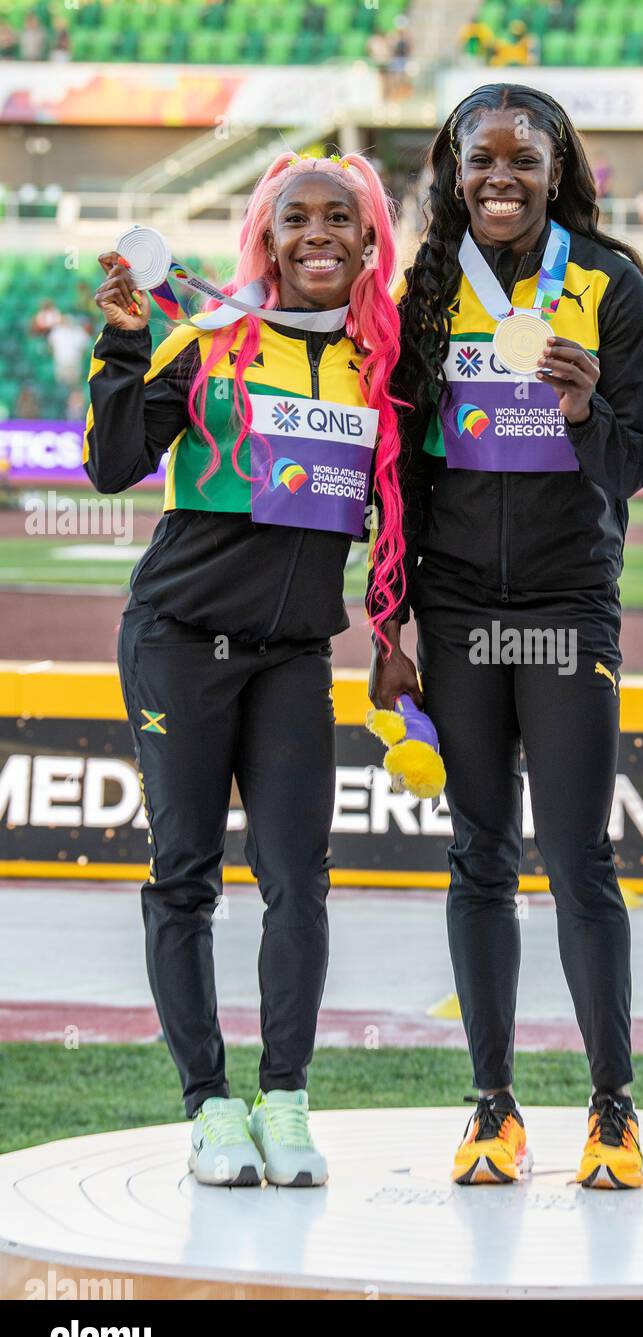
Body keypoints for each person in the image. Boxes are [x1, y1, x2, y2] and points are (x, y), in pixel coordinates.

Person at [84, 152, 405, 1188]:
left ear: (368, 243)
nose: (317, 232)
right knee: (184, 878)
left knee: (297, 883)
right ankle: (209, 1106)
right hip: (178, 640)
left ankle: (286, 1099)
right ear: (266, 240)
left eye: (338, 219)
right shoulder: (210, 342)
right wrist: (124, 342)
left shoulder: (382, 363)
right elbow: (112, 461)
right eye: (295, 218)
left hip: (293, 660)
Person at [371, 83, 643, 1189]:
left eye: (522, 160)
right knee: (479, 856)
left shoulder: (610, 282)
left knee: (580, 861)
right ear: (452, 170)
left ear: (556, 168)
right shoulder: (429, 290)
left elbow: (634, 463)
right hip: (456, 611)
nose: (499, 177)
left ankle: (612, 1109)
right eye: (477, 159)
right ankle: (492, 1106)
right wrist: (392, 606)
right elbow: (400, 470)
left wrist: (589, 414)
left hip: (567, 605)